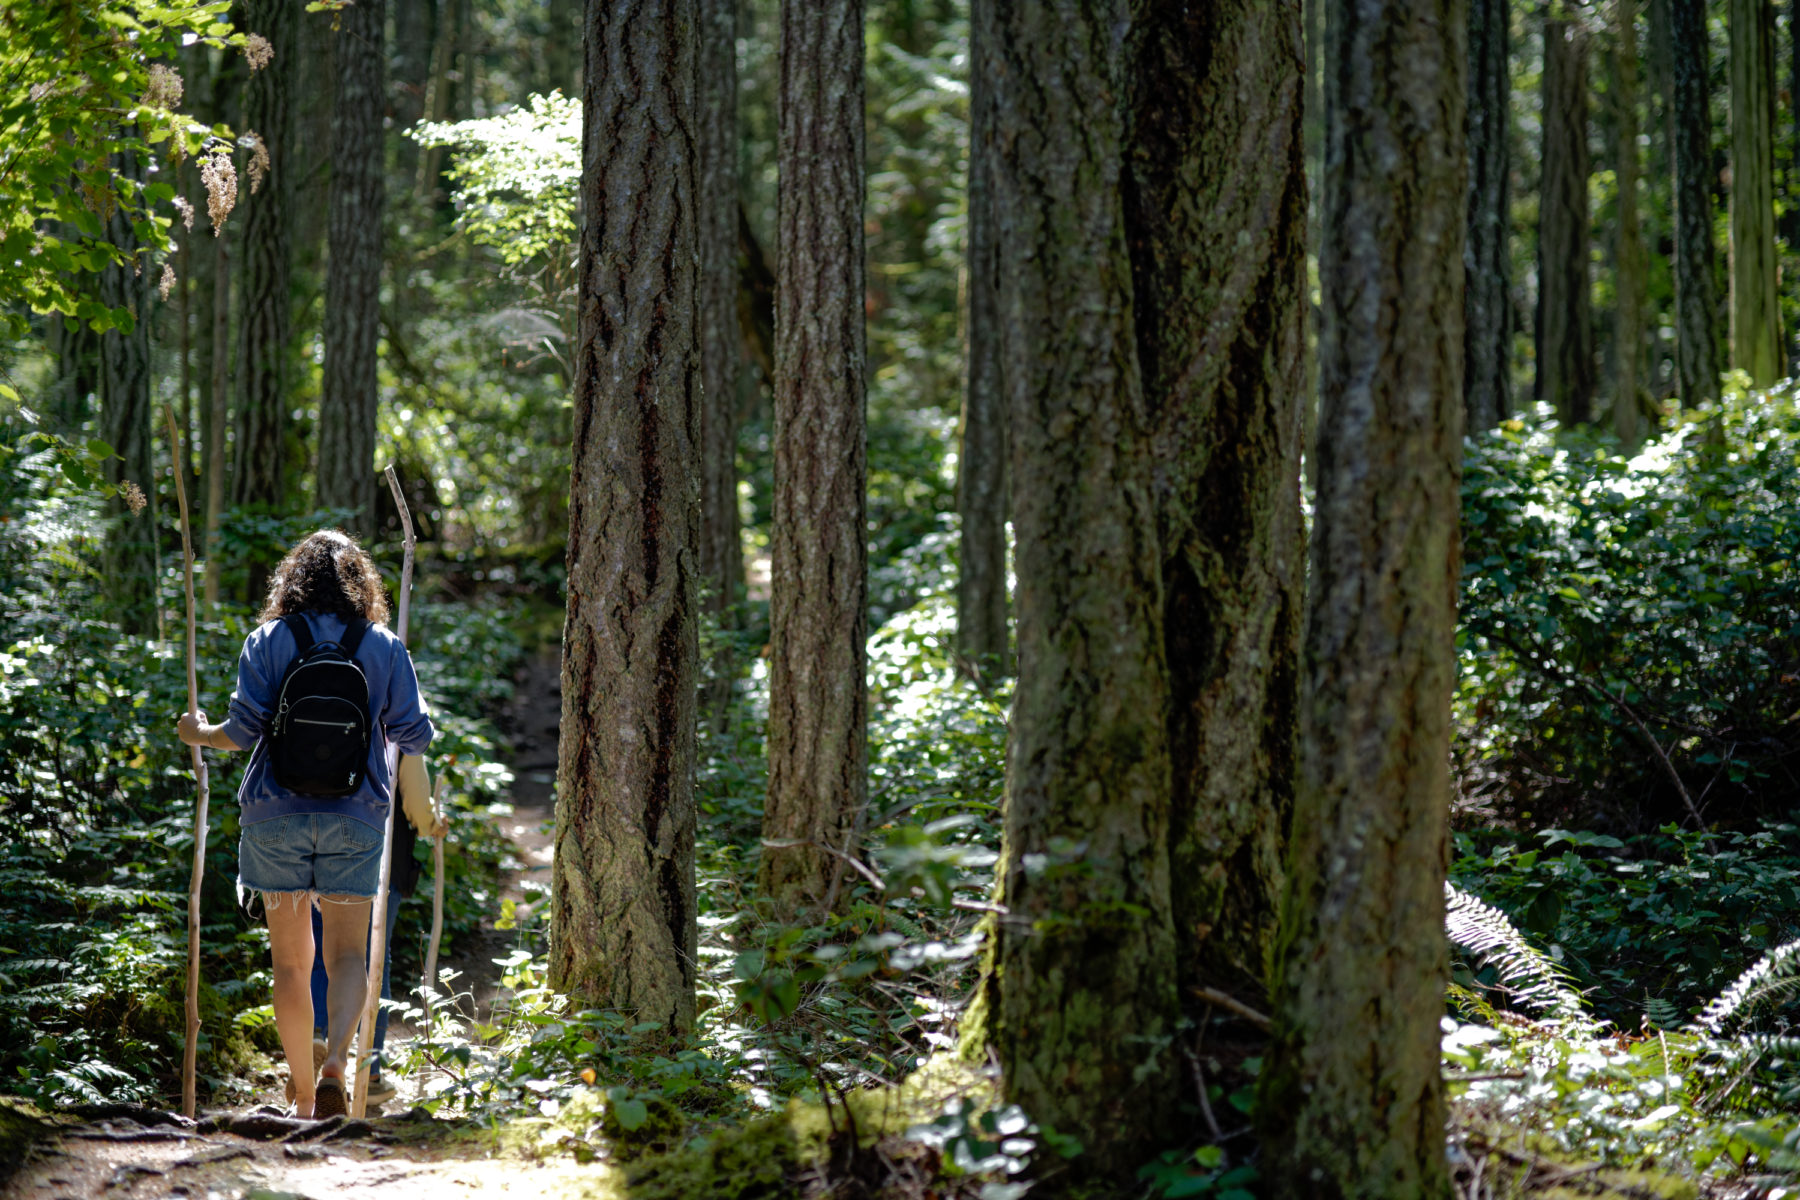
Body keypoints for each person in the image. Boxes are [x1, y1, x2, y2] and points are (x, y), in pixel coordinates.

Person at [176, 530, 434, 1119]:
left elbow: (239, 734)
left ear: (291, 580)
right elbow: (415, 736)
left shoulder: (268, 640)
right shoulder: (384, 645)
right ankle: (337, 1066)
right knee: (348, 956)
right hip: (359, 818)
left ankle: (298, 1093)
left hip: (274, 815)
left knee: (290, 964)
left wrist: (198, 734)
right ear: (360, 582)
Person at [291, 752, 444, 1111]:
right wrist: (432, 823)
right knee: (372, 959)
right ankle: (368, 1073)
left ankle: (316, 1037)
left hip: (312, 841)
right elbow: (416, 802)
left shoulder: (309, 695)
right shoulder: (396, 713)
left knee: (317, 948)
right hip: (378, 851)